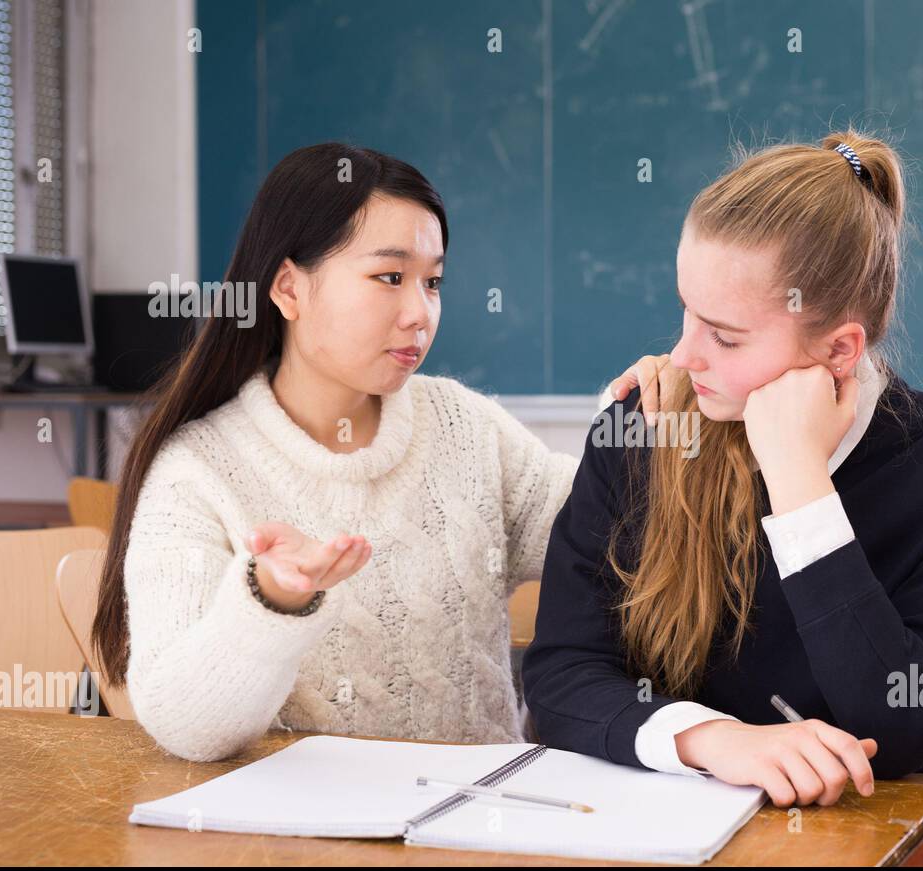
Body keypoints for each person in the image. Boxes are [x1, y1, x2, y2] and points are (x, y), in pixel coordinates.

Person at [91, 142, 672, 761]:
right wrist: (271, 601)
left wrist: (660, 419)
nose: (420, 314)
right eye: (389, 278)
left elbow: (615, 535)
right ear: (288, 289)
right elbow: (188, 729)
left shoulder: (463, 426)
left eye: (433, 282)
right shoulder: (196, 473)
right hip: (297, 842)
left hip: (481, 822)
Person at [523, 130, 923, 806]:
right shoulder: (645, 423)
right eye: (687, 314)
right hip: (676, 823)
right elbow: (560, 676)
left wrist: (799, 481)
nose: (685, 354)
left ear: (841, 348)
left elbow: (907, 731)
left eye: (725, 336)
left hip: (881, 831)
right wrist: (714, 740)